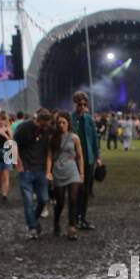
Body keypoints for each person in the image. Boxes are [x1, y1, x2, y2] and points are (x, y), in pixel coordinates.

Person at [14, 108, 53, 239]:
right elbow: (11, 144)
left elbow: (50, 149)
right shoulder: (23, 127)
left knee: (43, 199)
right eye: (43, 124)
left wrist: (48, 170)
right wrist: (16, 164)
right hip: (26, 170)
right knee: (28, 201)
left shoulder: (48, 129)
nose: (44, 127)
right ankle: (32, 228)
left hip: (41, 169)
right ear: (38, 120)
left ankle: (33, 220)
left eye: (46, 125)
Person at [48, 110, 84, 240]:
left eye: (63, 122)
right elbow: (49, 157)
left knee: (73, 199)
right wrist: (48, 172)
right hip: (58, 170)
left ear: (68, 123)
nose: (61, 125)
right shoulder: (53, 138)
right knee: (60, 201)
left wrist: (81, 173)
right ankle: (56, 222)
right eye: (59, 123)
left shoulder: (75, 138)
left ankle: (72, 227)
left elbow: (80, 156)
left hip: (72, 170)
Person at [72, 92, 100, 230]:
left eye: (84, 104)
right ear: (75, 104)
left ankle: (82, 218)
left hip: (88, 160)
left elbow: (95, 139)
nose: (82, 107)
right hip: (73, 161)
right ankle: (74, 218)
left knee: (85, 191)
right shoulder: (69, 119)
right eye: (79, 104)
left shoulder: (89, 120)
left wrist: (98, 157)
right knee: (75, 191)